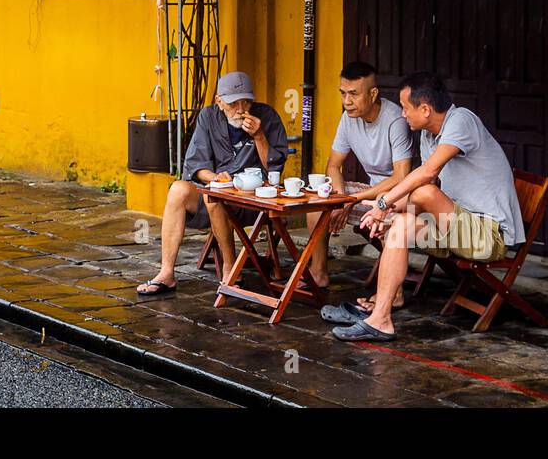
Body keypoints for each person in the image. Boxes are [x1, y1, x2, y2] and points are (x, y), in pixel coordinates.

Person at [327, 71, 525, 341]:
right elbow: (425, 194)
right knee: (399, 225)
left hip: (485, 236)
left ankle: (379, 309)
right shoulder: (430, 136)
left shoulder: (461, 121)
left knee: (424, 191)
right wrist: (386, 214)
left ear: (425, 109)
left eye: (406, 108)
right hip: (456, 229)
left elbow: (427, 178)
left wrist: (384, 203)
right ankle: (381, 316)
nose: (402, 114)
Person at [136, 71, 289, 296]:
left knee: (212, 197)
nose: (241, 109)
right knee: (179, 189)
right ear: (219, 101)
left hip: (252, 202)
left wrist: (259, 137)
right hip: (216, 194)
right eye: (233, 103)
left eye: (246, 101)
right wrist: (215, 178)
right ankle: (166, 273)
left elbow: (274, 168)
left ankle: (229, 268)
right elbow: (197, 167)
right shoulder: (208, 117)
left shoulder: (267, 117)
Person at [305, 60, 414, 288]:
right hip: (371, 194)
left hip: (402, 198)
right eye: (343, 93)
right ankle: (318, 272)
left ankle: (394, 291)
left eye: (354, 94)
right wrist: (342, 197)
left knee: (387, 223)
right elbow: (333, 165)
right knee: (317, 202)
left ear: (373, 93)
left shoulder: (395, 120)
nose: (347, 101)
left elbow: (401, 177)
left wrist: (353, 200)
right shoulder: (348, 118)